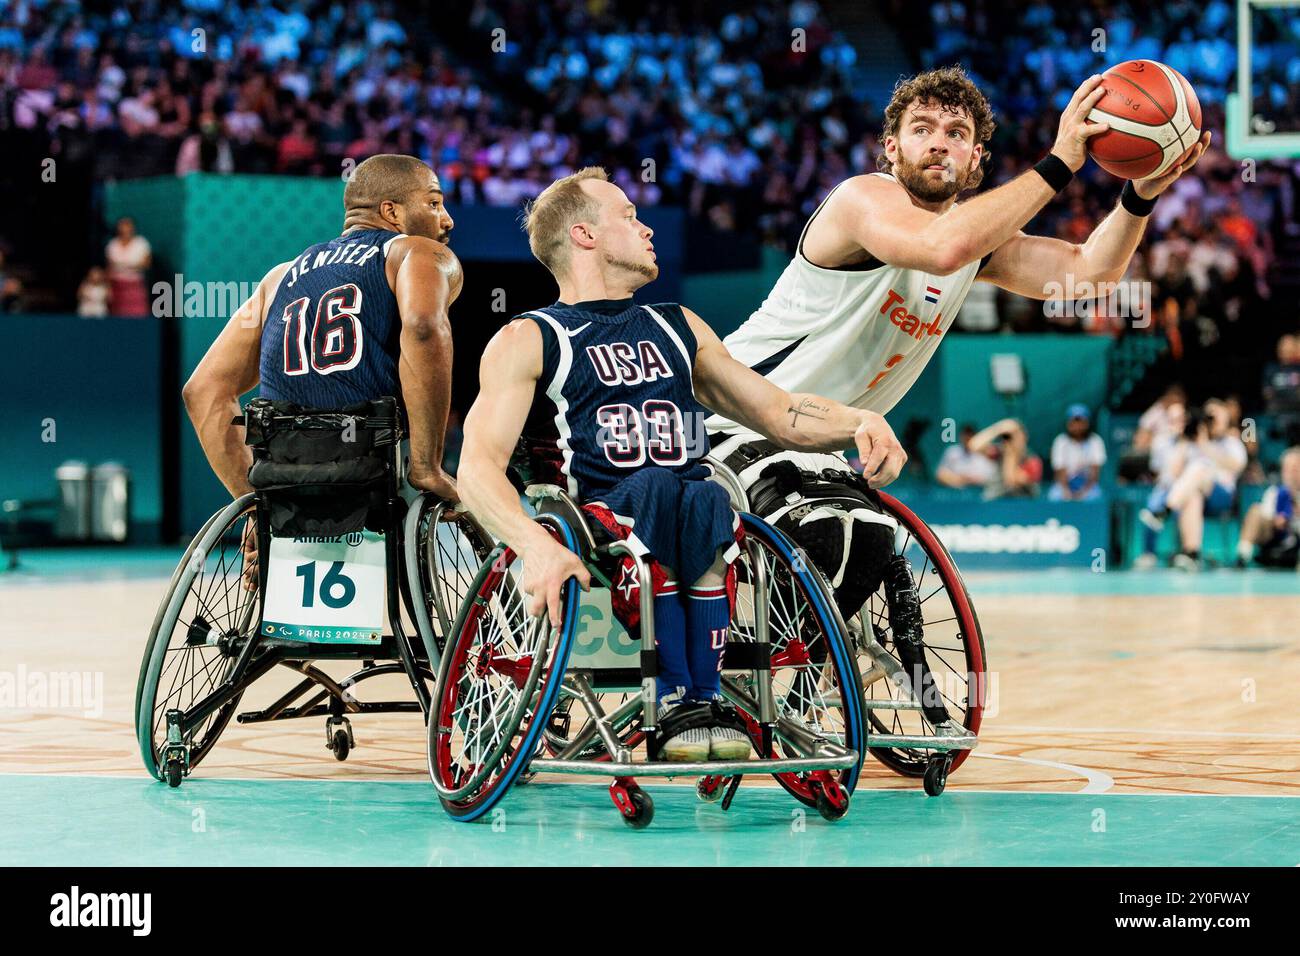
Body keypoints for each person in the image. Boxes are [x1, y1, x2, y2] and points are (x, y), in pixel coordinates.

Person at [704, 65, 1210, 621]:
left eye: (957, 133)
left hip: (815, 441)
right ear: (892, 149)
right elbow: (943, 247)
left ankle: (786, 684)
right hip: (731, 418)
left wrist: (1139, 197)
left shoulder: (973, 244)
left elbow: (1087, 275)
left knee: (867, 541)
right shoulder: (861, 200)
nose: (938, 143)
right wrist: (1061, 160)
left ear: (975, 161)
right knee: (825, 536)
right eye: (922, 129)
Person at [455, 167, 907, 763]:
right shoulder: (530, 338)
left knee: (703, 494)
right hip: (596, 519)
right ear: (585, 235)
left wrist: (858, 421)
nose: (646, 229)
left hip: (687, 511)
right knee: (659, 487)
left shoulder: (677, 324)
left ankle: (703, 697)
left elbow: (777, 409)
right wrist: (533, 546)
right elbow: (477, 468)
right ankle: (673, 696)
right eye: (628, 215)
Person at [182, 154, 461, 506]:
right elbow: (423, 327)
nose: (447, 220)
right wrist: (427, 465)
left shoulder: (279, 277)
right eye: (434, 203)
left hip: (283, 474)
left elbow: (203, 390)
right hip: (374, 464)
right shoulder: (415, 251)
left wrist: (251, 503)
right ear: (392, 213)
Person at [1138, 399, 1248, 571]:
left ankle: (1164, 511)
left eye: (1216, 416)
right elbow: (1173, 473)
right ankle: (1192, 554)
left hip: (1222, 497)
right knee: (1193, 496)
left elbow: (1236, 465)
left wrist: (1205, 446)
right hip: (1193, 496)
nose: (1212, 420)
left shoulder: (1231, 442)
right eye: (1208, 416)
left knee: (1199, 468)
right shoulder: (1191, 442)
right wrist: (1184, 440)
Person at [1234, 447, 1300, 569]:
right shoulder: (1274, 492)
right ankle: (1242, 557)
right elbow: (1267, 516)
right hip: (1276, 539)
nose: (1292, 473)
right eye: (1288, 469)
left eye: (1295, 468)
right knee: (1255, 510)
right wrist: (1278, 520)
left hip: (1295, 541)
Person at [1047, 404, 1106, 501]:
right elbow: (1060, 472)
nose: (1077, 426)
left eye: (1081, 422)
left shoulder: (1095, 441)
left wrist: (1084, 492)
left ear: (1087, 423)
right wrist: (1066, 491)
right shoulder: (1060, 441)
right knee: (1055, 496)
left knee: (1095, 496)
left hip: (1087, 485)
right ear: (1068, 423)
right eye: (1074, 421)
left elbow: (1095, 472)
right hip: (1066, 484)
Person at [105, 217, 152, 317]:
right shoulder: (112, 245)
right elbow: (109, 267)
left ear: (133, 227)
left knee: (137, 315)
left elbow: (147, 264)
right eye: (122, 225)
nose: (125, 228)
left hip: (135, 285)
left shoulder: (141, 243)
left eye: (128, 225)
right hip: (116, 285)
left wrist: (125, 266)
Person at [935, 422, 997, 489]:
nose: (967, 438)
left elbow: (991, 477)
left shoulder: (985, 452)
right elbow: (940, 474)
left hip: (979, 490)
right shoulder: (952, 451)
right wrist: (960, 480)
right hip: (956, 490)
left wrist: (972, 479)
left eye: (970, 435)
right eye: (965, 435)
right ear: (961, 436)